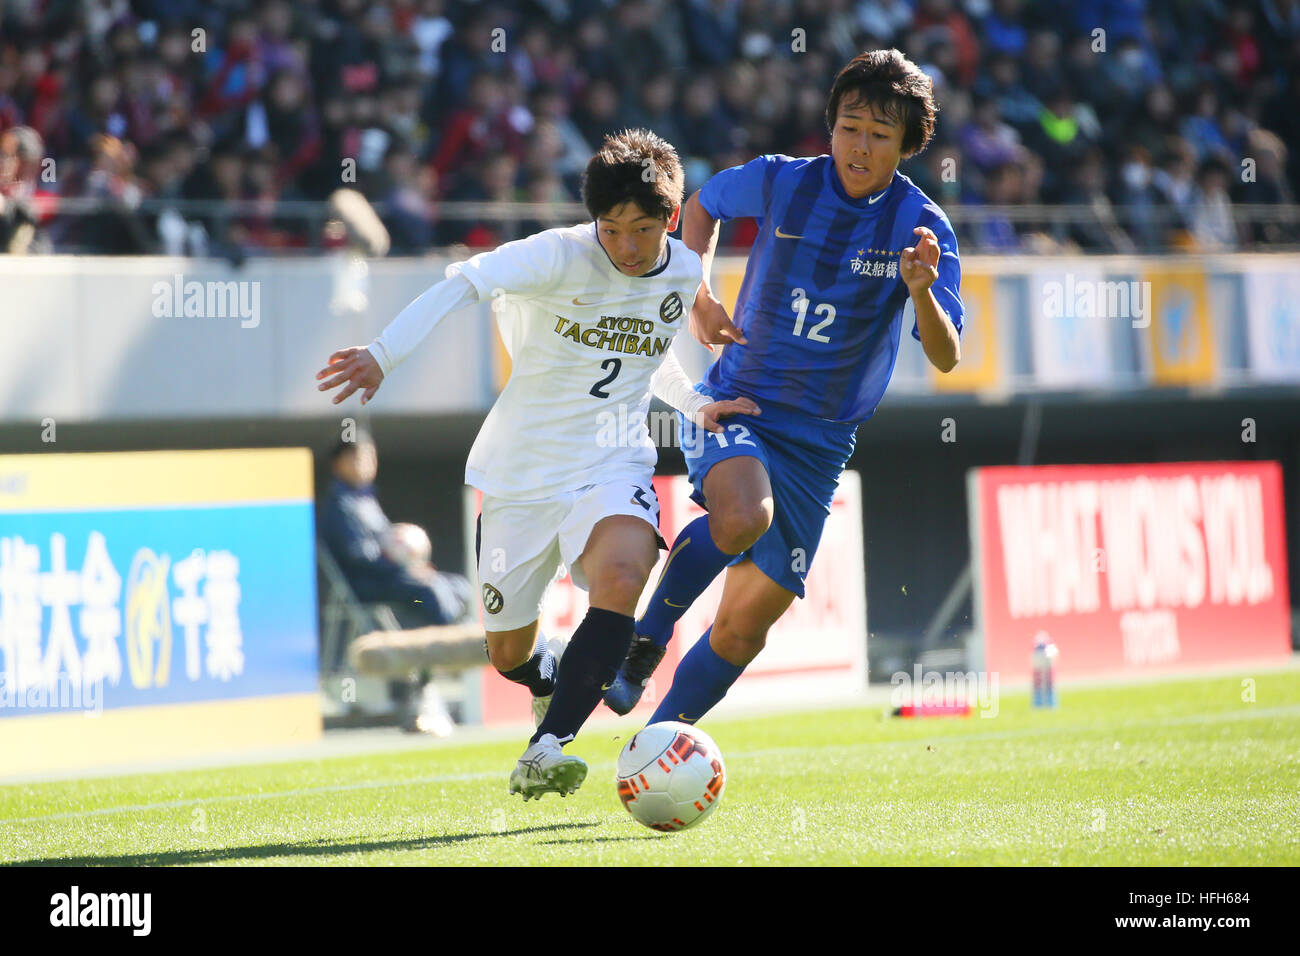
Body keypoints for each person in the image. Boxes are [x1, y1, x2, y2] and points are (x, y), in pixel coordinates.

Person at [316, 128, 758, 799]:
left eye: (642, 230)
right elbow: (460, 283)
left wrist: (695, 404)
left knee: (623, 572)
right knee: (508, 654)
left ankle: (547, 745)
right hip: (522, 472)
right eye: (611, 229)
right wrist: (383, 352)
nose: (627, 247)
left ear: (671, 220)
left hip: (613, 461)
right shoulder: (557, 255)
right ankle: (546, 676)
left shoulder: (682, 271)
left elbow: (648, 352)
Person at [602, 49, 965, 723]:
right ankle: (643, 643)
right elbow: (704, 205)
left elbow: (944, 356)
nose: (859, 145)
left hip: (821, 443)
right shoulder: (782, 181)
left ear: (906, 147)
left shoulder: (922, 231)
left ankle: (657, 749)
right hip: (740, 400)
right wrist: (699, 291)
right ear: (830, 124)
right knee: (743, 517)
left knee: (744, 630)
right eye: (849, 125)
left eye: (879, 135)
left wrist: (922, 296)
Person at [318, 433, 474, 634]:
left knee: (459, 586)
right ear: (337, 464)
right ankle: (451, 646)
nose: (366, 464)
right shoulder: (340, 505)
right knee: (428, 592)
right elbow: (359, 556)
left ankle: (466, 635)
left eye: (370, 457)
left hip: (391, 578)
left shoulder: (365, 500)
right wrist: (404, 570)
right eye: (356, 458)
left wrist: (414, 566)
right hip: (367, 584)